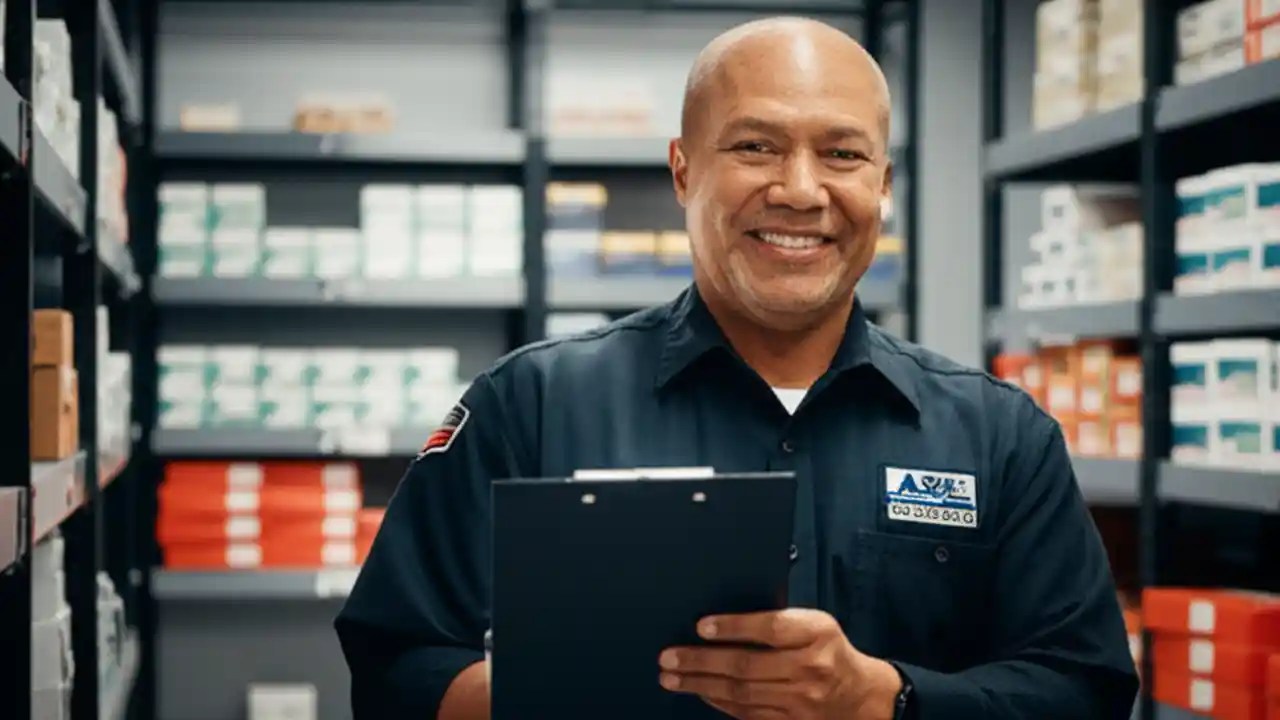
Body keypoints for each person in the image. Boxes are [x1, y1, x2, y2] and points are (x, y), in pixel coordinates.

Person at [335, 16, 1140, 720]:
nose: (799, 190)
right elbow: (393, 668)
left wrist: (881, 701)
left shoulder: (1001, 436)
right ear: (684, 170)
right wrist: (563, 693)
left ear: (883, 185)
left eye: (842, 154)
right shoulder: (530, 404)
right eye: (756, 146)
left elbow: (1085, 689)